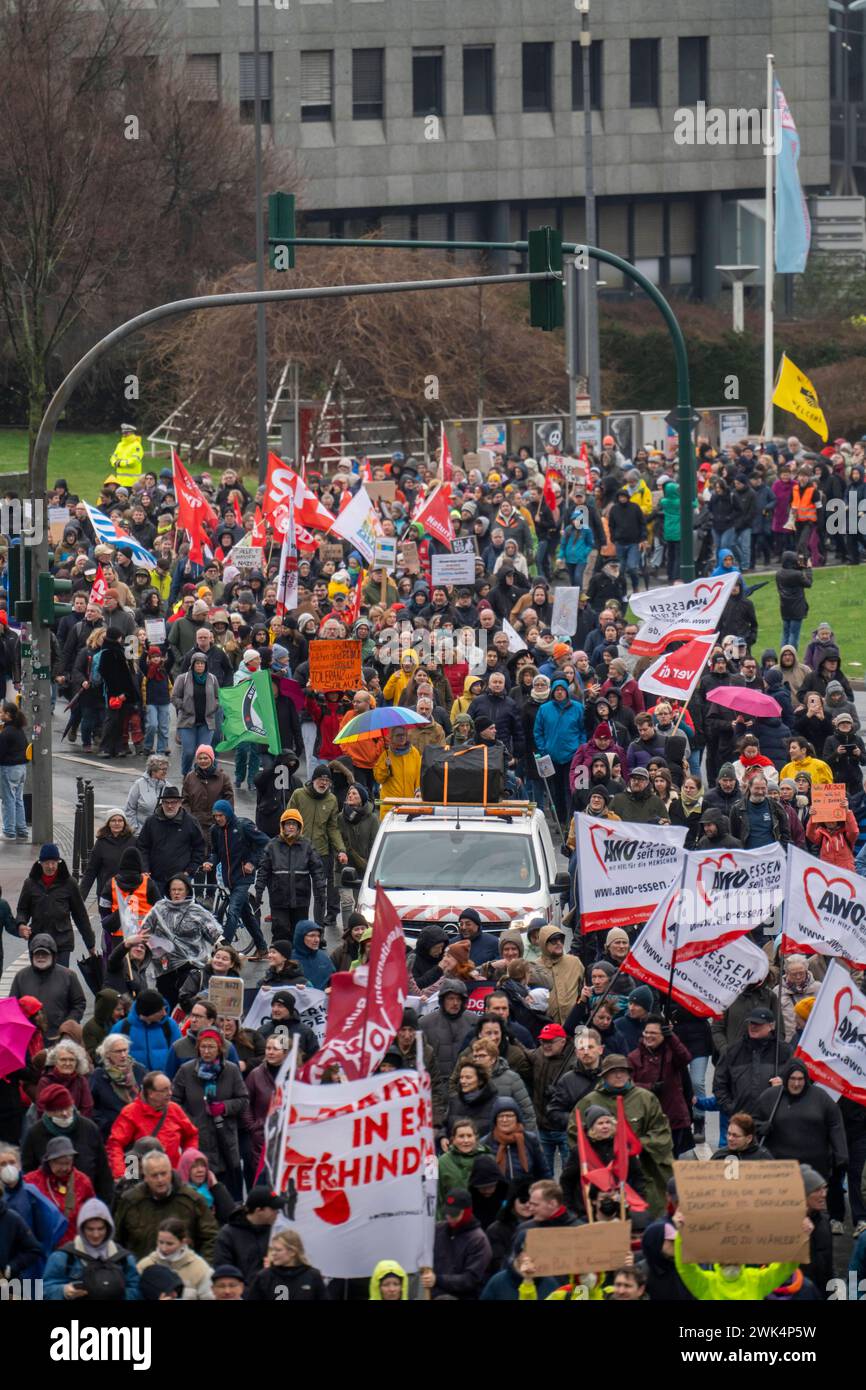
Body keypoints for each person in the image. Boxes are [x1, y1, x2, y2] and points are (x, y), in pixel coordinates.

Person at [572, 1053, 674, 1217]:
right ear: (604, 1076)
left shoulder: (645, 1098)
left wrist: (634, 1147)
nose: (619, 1075)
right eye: (613, 1072)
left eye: (623, 1071)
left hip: (642, 1170)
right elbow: (575, 1133)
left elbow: (661, 1133)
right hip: (602, 1174)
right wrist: (598, 1151)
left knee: (643, 1216)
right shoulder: (589, 1101)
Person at [114, 1150, 218, 1263]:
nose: (160, 1180)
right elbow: (117, 1240)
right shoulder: (131, 1201)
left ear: (171, 1172)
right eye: (154, 1175)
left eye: (164, 1174)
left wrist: (203, 1267)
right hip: (142, 1269)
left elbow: (211, 1237)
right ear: (145, 1177)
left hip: (184, 1269)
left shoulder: (192, 1199)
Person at [754, 1059, 848, 1182]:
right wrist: (759, 1127)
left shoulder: (821, 1097)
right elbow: (751, 1121)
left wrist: (841, 1155)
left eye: (800, 1079)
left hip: (815, 1170)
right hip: (779, 1169)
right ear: (786, 1078)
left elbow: (835, 1124)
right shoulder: (771, 1096)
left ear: (806, 1079)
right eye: (792, 1079)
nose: (796, 1084)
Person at [201, 800, 269, 959]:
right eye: (215, 816)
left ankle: (223, 950)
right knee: (246, 915)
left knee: (233, 911)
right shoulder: (215, 830)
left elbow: (266, 843)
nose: (218, 819)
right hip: (229, 879)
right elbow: (216, 853)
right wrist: (210, 862)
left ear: (228, 814)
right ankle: (262, 948)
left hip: (243, 878)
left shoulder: (244, 826)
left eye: (221, 815)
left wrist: (253, 862)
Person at [106, 1069, 199, 1180]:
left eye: (170, 1088)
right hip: (139, 1178)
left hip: (171, 1176)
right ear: (151, 1093)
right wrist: (122, 1175)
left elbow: (191, 1135)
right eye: (164, 1090)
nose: (170, 1093)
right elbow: (115, 1144)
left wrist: (187, 1161)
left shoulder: (174, 1109)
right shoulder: (130, 1112)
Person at [43, 1197, 140, 1302]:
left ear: (108, 1228)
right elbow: (43, 1290)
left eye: (100, 1229)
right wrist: (64, 1291)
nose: (96, 1235)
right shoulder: (63, 1257)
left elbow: (137, 1290)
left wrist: (115, 1293)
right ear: (82, 1228)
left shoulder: (124, 1259)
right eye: (90, 1229)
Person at [288, 763, 348, 930]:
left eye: (327, 780)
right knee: (300, 893)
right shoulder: (299, 795)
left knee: (320, 893)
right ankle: (300, 927)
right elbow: (288, 820)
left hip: (321, 853)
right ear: (313, 779)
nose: (324, 783)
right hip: (299, 851)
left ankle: (318, 929)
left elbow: (333, 827)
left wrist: (341, 850)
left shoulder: (331, 800)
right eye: (321, 779)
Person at [14, 846, 95, 967]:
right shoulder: (30, 883)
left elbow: (80, 915)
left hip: (62, 941)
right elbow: (22, 909)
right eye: (47, 863)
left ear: (58, 862)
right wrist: (21, 924)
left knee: (60, 977)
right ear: (40, 863)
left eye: (54, 862)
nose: (51, 866)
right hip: (38, 940)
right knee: (39, 977)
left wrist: (90, 944)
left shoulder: (69, 883)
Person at [713, 1007, 792, 1128]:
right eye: (751, 1023)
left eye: (758, 1024)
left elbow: (797, 1080)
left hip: (775, 1119)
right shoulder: (732, 1051)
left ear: (771, 1026)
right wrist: (731, 1108)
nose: (753, 1027)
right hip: (741, 1120)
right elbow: (719, 1083)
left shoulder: (784, 1051)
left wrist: (784, 1084)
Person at [254, 809, 328, 937]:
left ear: (299, 827)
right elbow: (263, 870)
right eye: (288, 823)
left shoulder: (307, 846)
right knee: (280, 932)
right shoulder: (272, 846)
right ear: (282, 826)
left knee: (299, 934)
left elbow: (317, 870)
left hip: (301, 900)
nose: (291, 827)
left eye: (294, 824)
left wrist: (321, 892)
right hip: (279, 899)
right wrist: (259, 891)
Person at [628, 1014, 693, 1155]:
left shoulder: (671, 1053)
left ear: (663, 1035)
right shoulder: (633, 1057)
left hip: (672, 1118)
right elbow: (628, 1085)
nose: (648, 1036)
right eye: (646, 1032)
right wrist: (649, 1087)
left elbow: (685, 1057)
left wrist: (672, 1037)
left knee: (671, 1160)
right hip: (646, 1119)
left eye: (653, 1033)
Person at [8, 935, 86, 1042]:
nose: (41, 957)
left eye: (44, 953)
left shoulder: (68, 976)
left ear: (53, 955)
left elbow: (79, 1003)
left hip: (60, 1037)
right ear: (31, 955)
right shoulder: (21, 977)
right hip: (30, 1039)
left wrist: (67, 1025)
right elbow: (12, 1006)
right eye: (37, 954)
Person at [421, 1188, 491, 1301]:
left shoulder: (479, 1240)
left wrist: (438, 1279)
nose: (449, 1217)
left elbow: (471, 1279)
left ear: (467, 1212)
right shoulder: (438, 1230)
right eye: (447, 1213)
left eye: (454, 1214)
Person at [24, 1136, 95, 1246]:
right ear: (49, 1162)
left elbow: (92, 1211)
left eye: (68, 1163)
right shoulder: (31, 1181)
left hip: (74, 1245)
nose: (64, 1168)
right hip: (42, 1245)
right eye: (60, 1163)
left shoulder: (82, 1181)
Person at [137, 785, 206, 893]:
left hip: (181, 880)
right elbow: (142, 847)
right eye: (166, 802)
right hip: (154, 879)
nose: (170, 806)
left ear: (180, 803)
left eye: (173, 802)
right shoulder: (151, 822)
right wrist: (145, 869)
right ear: (162, 803)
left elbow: (200, 847)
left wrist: (189, 871)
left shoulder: (190, 822)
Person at [212, 1187, 282, 1284]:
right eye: (273, 1209)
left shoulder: (277, 1232)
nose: (277, 1212)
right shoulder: (227, 1235)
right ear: (259, 1211)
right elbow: (223, 1272)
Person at [136, 1217, 214, 1300]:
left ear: (183, 1242)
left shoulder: (200, 1268)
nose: (164, 1248)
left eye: (170, 1244)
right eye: (160, 1242)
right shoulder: (144, 1265)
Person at [108, 988, 183, 1073]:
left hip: (165, 1079)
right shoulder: (121, 1028)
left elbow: (180, 1054)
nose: (164, 1013)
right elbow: (110, 1059)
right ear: (147, 1013)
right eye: (159, 1011)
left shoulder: (170, 1025)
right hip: (133, 1079)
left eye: (164, 1009)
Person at [245, 1229, 327, 1301]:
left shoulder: (312, 1276)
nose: (273, 1253)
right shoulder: (264, 1276)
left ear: (292, 1252)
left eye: (278, 1250)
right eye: (272, 1249)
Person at [89, 1034, 145, 1138]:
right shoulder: (99, 1075)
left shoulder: (139, 1070)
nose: (123, 1055)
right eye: (118, 1051)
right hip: (112, 1132)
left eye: (125, 1050)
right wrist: (105, 1124)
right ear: (107, 1054)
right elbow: (90, 1105)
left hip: (139, 1130)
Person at [172, 653, 219, 776]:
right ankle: (186, 774)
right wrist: (183, 706)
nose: (200, 666)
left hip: (206, 722)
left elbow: (218, 697)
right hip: (187, 721)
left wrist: (214, 706)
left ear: (206, 665)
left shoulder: (212, 679)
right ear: (192, 665)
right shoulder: (183, 678)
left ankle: (201, 776)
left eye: (202, 663)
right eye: (197, 663)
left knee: (203, 753)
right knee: (189, 752)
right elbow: (175, 697)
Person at [537, 926, 584, 1026]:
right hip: (547, 1026)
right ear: (544, 943)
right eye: (554, 941)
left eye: (561, 939)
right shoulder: (535, 967)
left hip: (574, 1024)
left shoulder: (574, 962)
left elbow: (584, 988)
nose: (559, 943)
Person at [182, 745, 234, 836]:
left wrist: (223, 818)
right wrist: (190, 819)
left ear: (212, 759)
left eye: (206, 758)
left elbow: (229, 799)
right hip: (196, 824)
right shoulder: (190, 777)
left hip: (216, 823)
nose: (203, 761)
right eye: (200, 758)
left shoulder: (223, 777)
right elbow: (184, 800)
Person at [373, 726, 423, 817]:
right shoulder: (385, 755)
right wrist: (385, 766)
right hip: (390, 807)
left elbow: (419, 776)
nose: (402, 737)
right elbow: (379, 778)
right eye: (398, 735)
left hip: (409, 805)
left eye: (404, 735)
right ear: (391, 738)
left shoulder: (414, 753)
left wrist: (418, 792)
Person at [0, 701, 28, 841]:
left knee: (8, 800)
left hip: (9, 769)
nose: (0, 714)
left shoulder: (6, 733)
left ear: (8, 714)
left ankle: (9, 832)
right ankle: (21, 830)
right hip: (21, 768)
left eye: (1, 712)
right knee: (18, 799)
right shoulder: (19, 730)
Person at [125, 754, 170, 833]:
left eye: (166, 769)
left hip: (162, 833)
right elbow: (130, 809)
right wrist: (135, 829)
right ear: (153, 770)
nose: (165, 772)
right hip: (141, 833)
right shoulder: (139, 784)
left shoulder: (169, 787)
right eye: (163, 769)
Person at [711, 1111, 775, 1163]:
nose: (730, 1138)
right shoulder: (720, 1156)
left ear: (749, 1139)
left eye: (735, 1136)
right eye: (729, 1134)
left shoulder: (763, 1158)